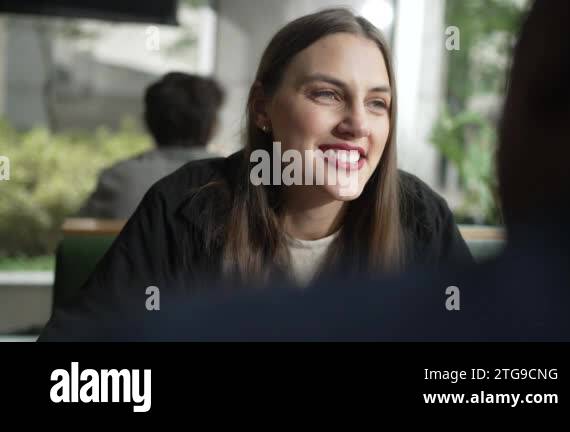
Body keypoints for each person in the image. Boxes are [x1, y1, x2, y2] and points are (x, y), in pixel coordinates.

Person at [38, 8, 473, 341]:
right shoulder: (185, 207)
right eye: (327, 94)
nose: (358, 124)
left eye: (378, 103)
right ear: (263, 108)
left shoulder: (421, 219)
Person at [78, 72, 224, 219]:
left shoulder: (118, 179)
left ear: (148, 121)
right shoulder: (235, 179)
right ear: (213, 125)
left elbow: (75, 236)